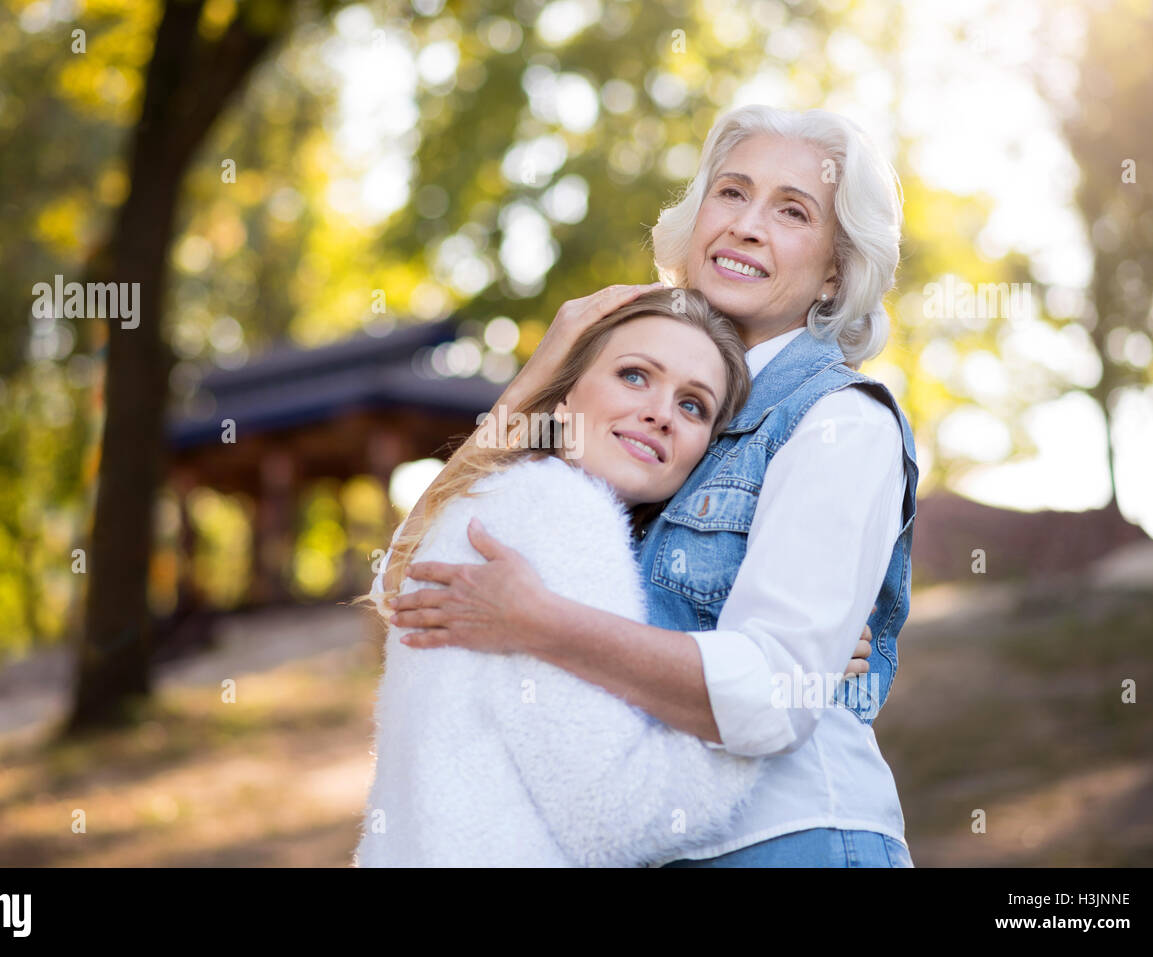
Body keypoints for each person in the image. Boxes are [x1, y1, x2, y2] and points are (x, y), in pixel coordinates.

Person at [388, 104, 919, 868]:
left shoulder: (840, 421)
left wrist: (540, 622)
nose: (745, 224)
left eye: (792, 210)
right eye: (731, 192)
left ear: (836, 270)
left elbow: (773, 696)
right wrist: (539, 378)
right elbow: (409, 581)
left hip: (789, 839)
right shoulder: (648, 429)